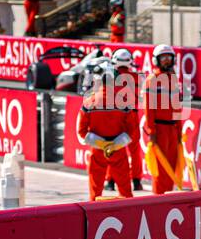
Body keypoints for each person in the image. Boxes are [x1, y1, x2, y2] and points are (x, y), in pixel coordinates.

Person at [77, 67, 137, 201]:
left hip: (98, 150)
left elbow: (81, 131)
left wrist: (102, 144)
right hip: (118, 149)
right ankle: (130, 215)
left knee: (95, 190)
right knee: (125, 191)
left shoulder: (89, 102)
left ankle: (93, 216)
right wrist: (114, 145)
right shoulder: (125, 102)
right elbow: (132, 130)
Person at [141, 44, 186, 194]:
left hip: (172, 129)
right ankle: (158, 198)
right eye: (163, 58)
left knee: (172, 166)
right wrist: (151, 131)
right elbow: (149, 109)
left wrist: (179, 130)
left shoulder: (173, 79)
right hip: (159, 129)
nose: (166, 61)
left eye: (169, 57)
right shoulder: (152, 80)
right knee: (160, 168)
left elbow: (177, 106)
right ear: (156, 60)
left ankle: (167, 195)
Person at [110, 49, 143, 192]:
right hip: (132, 115)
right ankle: (136, 181)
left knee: (112, 148)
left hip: (116, 116)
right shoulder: (137, 78)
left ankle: (110, 181)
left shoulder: (110, 77)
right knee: (134, 150)